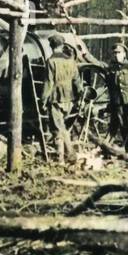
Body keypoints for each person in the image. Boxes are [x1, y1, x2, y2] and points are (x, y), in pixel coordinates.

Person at [41, 35, 82, 164]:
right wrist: (80, 96)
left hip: (56, 99)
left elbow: (49, 83)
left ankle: (63, 159)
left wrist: (43, 100)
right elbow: (77, 81)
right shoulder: (71, 60)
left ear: (51, 46)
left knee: (57, 130)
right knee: (62, 127)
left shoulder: (51, 61)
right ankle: (68, 156)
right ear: (62, 46)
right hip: (69, 99)